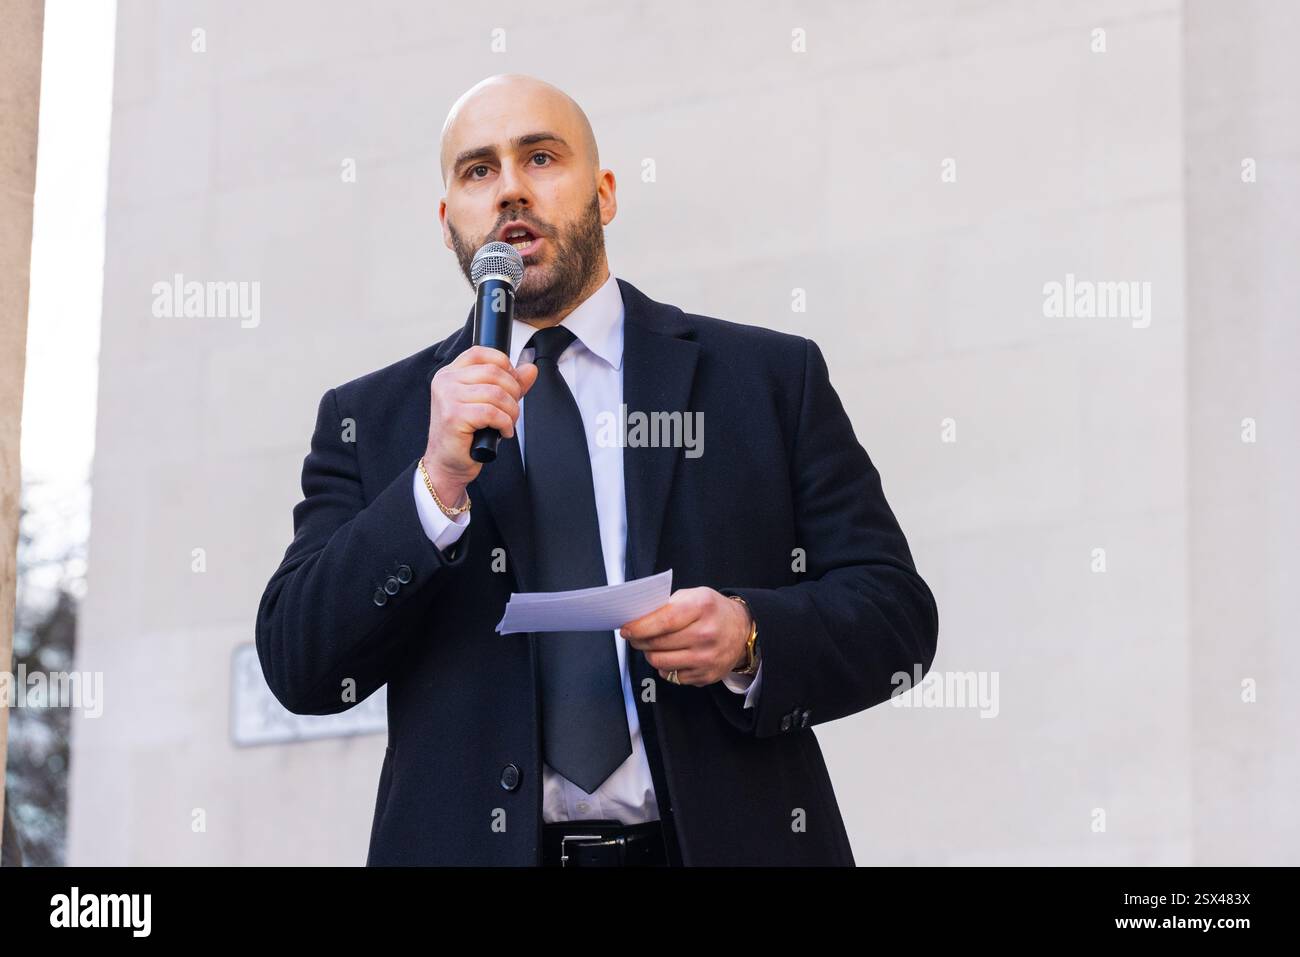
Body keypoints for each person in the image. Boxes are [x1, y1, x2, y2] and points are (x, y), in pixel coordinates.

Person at [255, 73, 939, 866]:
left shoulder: (766, 380)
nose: (510, 189)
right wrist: (432, 486)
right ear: (449, 225)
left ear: (605, 193)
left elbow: (897, 618)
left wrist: (751, 635)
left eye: (540, 156)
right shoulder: (371, 420)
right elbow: (299, 665)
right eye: (478, 171)